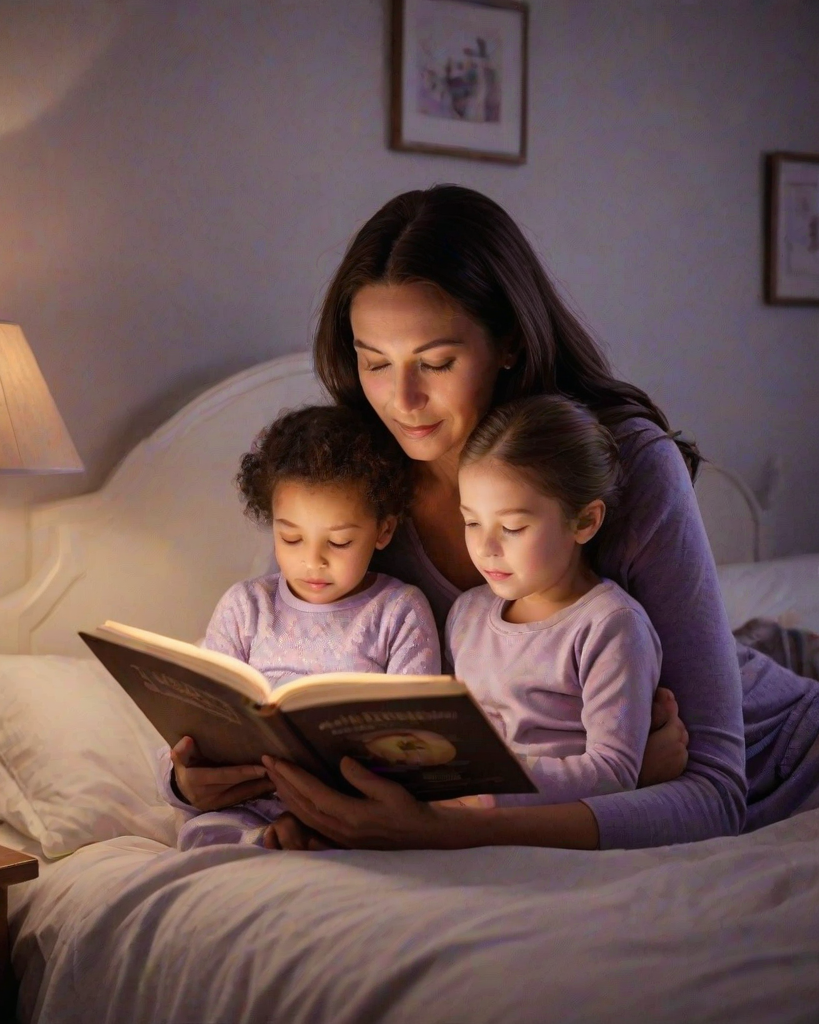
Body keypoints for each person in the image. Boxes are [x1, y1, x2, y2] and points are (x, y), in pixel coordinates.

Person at [259, 184, 819, 852]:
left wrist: (451, 830)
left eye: (436, 362)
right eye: (374, 361)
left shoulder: (624, 460)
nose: (402, 399)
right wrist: (211, 776)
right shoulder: (351, 482)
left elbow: (717, 793)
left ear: (510, 343)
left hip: (783, 759)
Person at [161, 404, 441, 849]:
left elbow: (418, 740)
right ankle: (262, 841)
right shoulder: (246, 606)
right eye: (290, 538)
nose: (313, 561)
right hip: (242, 804)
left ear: (383, 530)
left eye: (340, 541)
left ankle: (299, 839)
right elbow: (199, 723)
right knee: (201, 835)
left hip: (349, 810)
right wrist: (180, 779)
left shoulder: (398, 610)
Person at [447, 394, 661, 807]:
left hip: (540, 818)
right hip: (470, 807)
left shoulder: (610, 625)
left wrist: (492, 784)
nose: (486, 548)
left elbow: (614, 771)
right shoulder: (466, 614)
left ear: (584, 521)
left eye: (512, 527)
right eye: (471, 522)